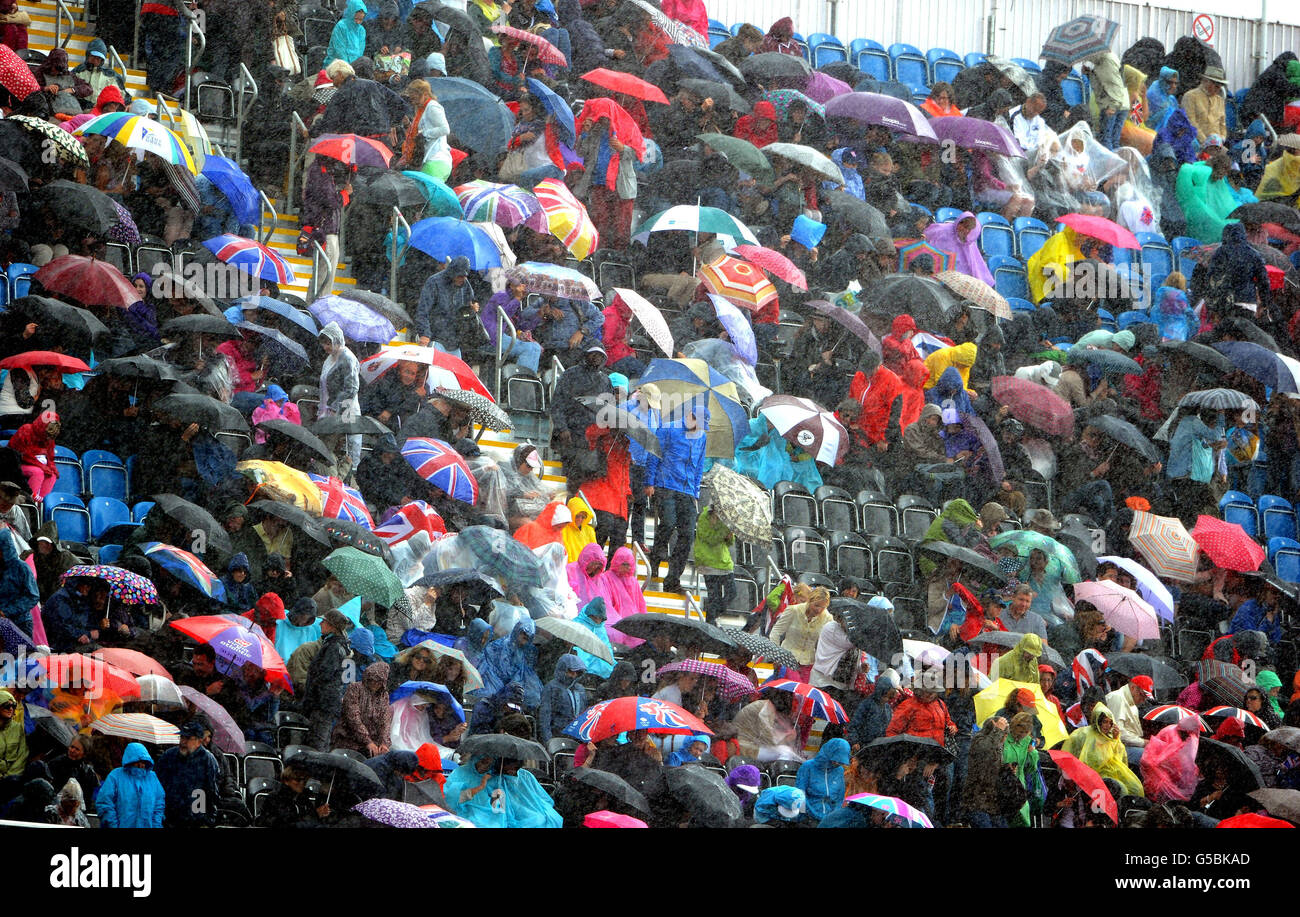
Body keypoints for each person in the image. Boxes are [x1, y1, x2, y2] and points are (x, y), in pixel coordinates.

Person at [644, 400, 708, 594]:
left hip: (687, 490)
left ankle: (673, 578)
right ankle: (655, 558)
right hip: (666, 484)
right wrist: (649, 482)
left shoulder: (701, 436)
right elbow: (654, 455)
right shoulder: (669, 429)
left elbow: (699, 464)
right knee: (668, 523)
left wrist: (696, 491)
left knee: (687, 535)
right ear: (690, 417)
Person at [1061, 702, 1144, 797]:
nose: (1107, 726)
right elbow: (1069, 755)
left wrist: (1115, 740)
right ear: (1098, 720)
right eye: (1105, 722)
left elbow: (1120, 758)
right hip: (1094, 775)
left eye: (1110, 722)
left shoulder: (1109, 737)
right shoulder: (1082, 734)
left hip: (1113, 772)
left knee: (1136, 788)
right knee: (1122, 791)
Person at [155, 720, 220, 828]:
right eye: (182, 737)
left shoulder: (207, 760)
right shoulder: (169, 756)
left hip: (195, 819)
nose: (183, 742)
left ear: (199, 741)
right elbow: (158, 785)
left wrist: (208, 820)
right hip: (170, 817)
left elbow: (211, 792)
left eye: (188, 738)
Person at [302, 609, 352, 750]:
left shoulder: (333, 647)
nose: (320, 624)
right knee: (320, 740)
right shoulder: (339, 645)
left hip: (323, 703)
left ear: (332, 626)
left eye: (323, 621)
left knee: (317, 743)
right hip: (327, 702)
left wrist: (312, 696)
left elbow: (324, 675)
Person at [95, 742, 166, 829]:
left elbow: (159, 805)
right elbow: (105, 803)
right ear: (130, 760)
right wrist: (113, 825)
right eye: (137, 762)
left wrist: (156, 825)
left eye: (144, 761)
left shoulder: (152, 778)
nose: (141, 765)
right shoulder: (115, 776)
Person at [331, 660, 392, 756]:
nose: (375, 683)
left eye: (379, 681)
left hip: (373, 741)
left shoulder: (384, 695)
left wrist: (384, 742)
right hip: (348, 738)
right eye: (372, 679)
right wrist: (367, 741)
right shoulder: (355, 688)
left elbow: (385, 720)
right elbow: (353, 717)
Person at [796, 737, 850, 821]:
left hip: (830, 817)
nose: (837, 763)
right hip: (808, 817)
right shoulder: (808, 767)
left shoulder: (839, 770)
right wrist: (814, 814)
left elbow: (840, 798)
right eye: (835, 760)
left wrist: (833, 816)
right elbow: (800, 794)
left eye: (840, 761)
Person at [1002, 711, 1040, 826]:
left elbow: (1031, 769)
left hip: (1019, 788)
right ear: (1013, 727)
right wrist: (1006, 768)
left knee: (1023, 821)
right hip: (1003, 786)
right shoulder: (1003, 739)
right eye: (1020, 732)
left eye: (1025, 732)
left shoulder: (1028, 741)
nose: (1022, 735)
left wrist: (1033, 753)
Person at [1182, 66, 1229, 145]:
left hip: (1216, 145)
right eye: (1216, 85)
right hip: (1195, 143)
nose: (1218, 88)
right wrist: (1205, 141)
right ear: (1205, 81)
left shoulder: (1220, 100)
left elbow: (1222, 124)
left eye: (1220, 85)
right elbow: (1190, 122)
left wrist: (1221, 139)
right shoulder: (1190, 96)